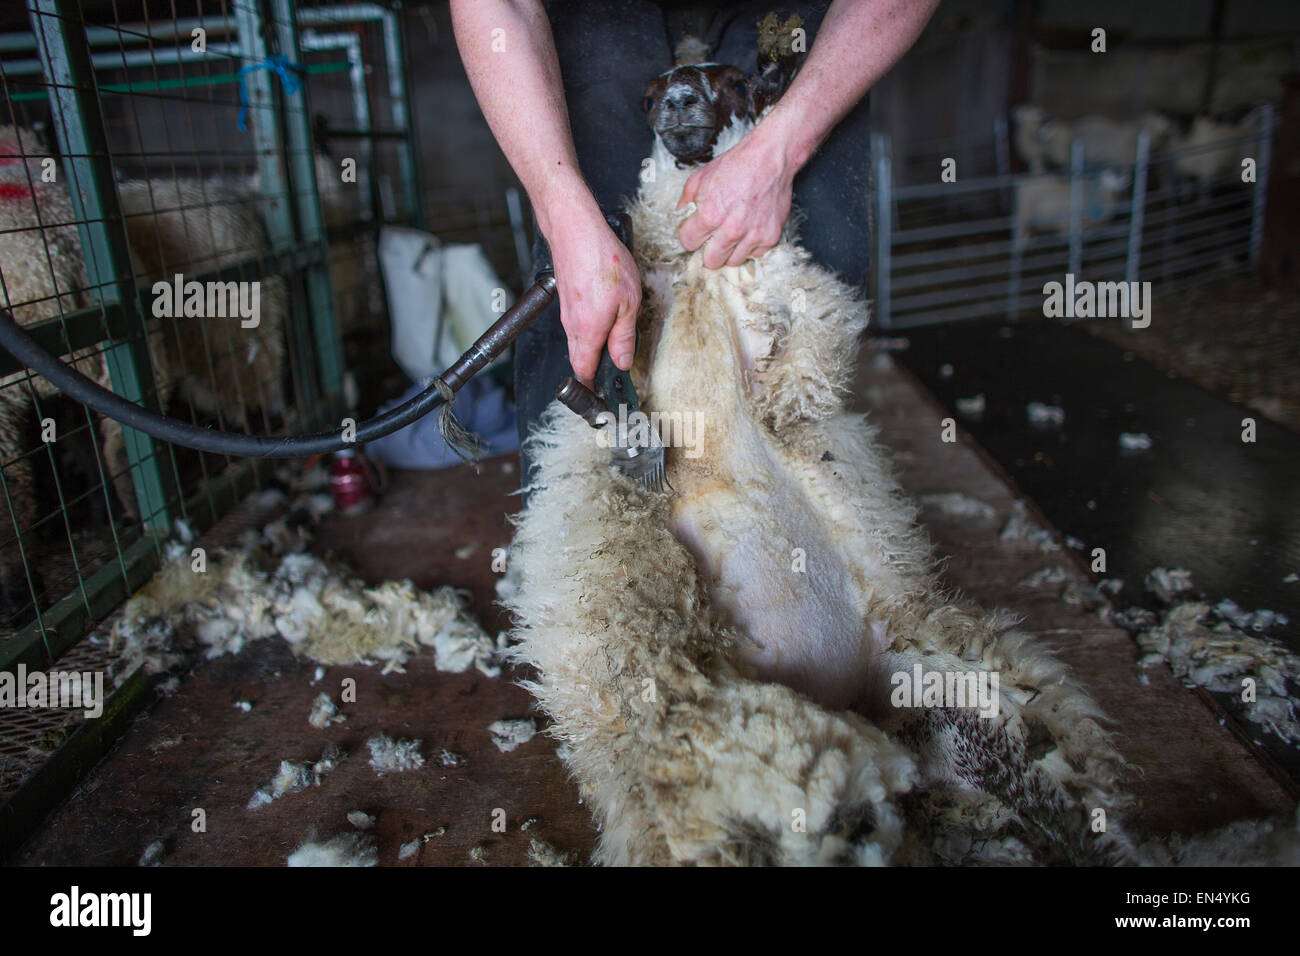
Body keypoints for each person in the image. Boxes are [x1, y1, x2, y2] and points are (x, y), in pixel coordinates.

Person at [448, 1, 939, 487]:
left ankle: (796, 500)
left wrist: (783, 149)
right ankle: (569, 536)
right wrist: (562, 211)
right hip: (596, 11)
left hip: (783, 10)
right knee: (584, 299)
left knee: (817, 263)